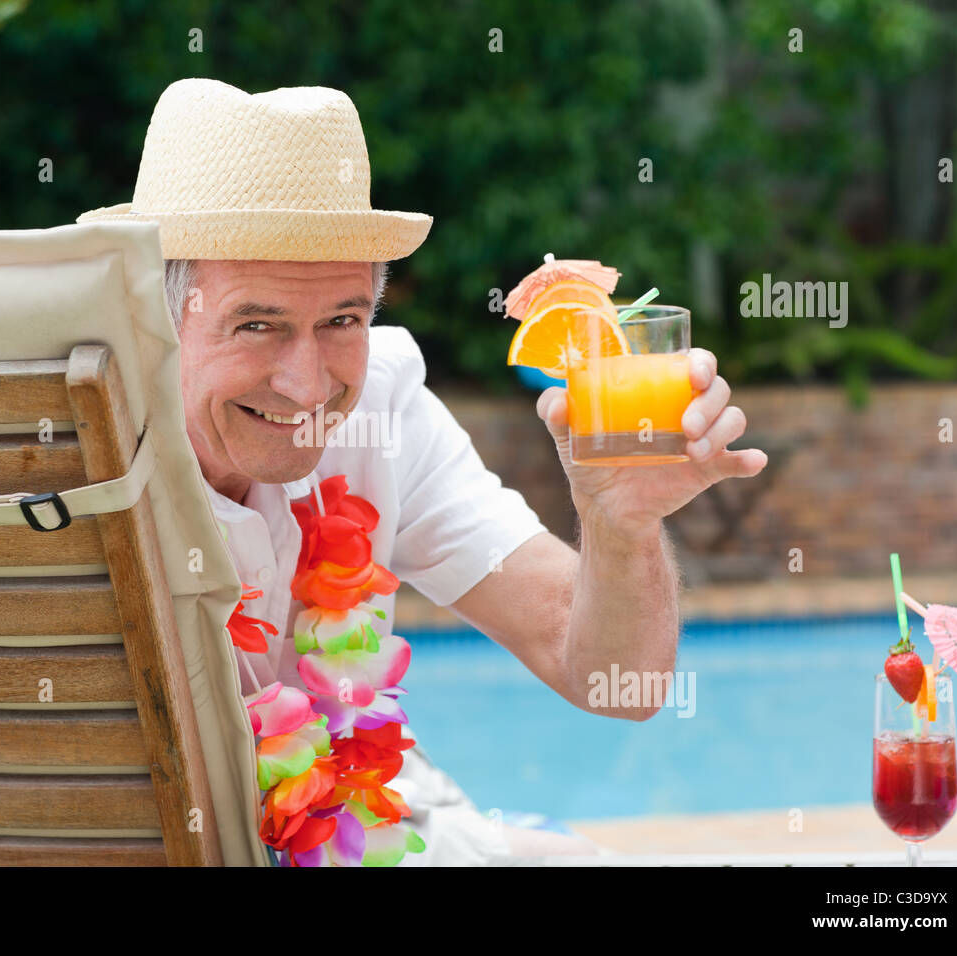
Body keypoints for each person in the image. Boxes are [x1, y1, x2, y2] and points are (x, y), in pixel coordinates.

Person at [78, 78, 768, 865]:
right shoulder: (71, 462)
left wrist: (622, 525)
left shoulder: (386, 409)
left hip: (371, 832)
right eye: (256, 324)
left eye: (342, 320)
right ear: (156, 321)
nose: (307, 385)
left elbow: (620, 682)